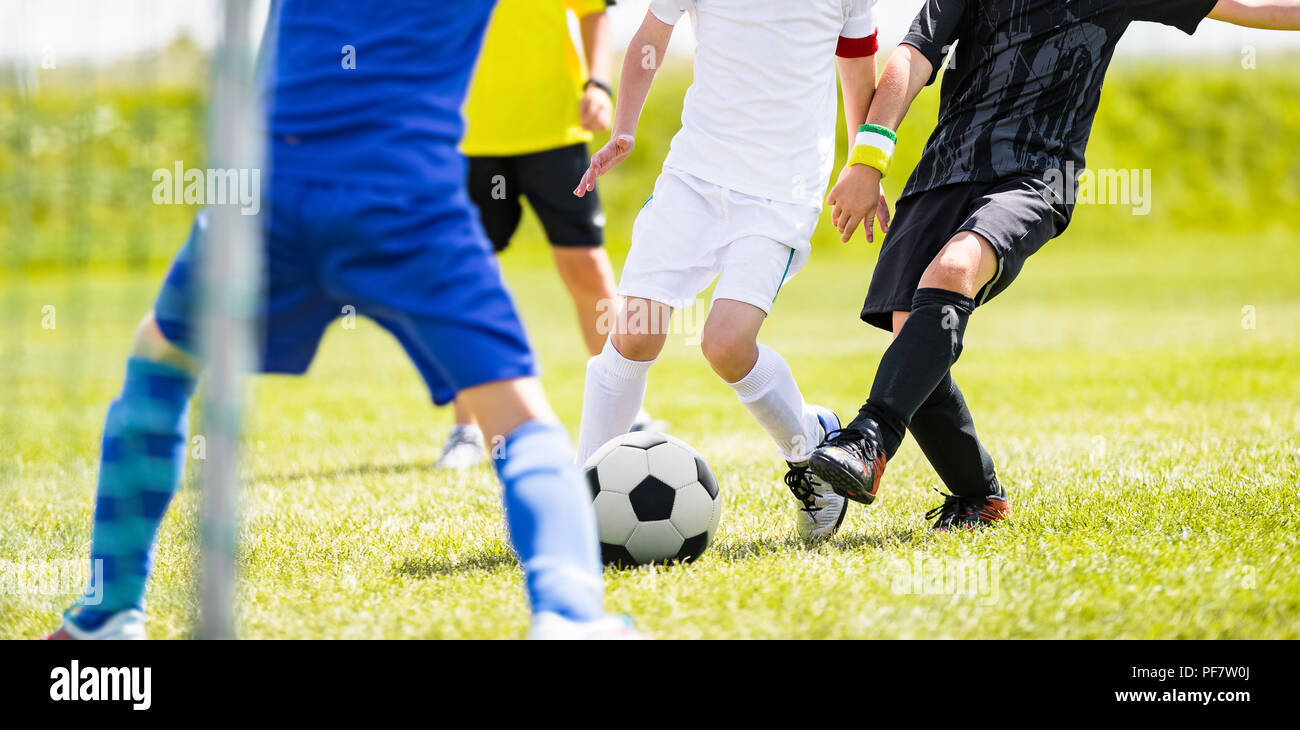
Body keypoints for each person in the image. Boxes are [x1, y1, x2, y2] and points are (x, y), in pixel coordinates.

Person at [46, 0, 636, 640]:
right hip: (408, 199)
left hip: (270, 190)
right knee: (520, 420)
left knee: (159, 364)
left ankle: (108, 613)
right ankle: (572, 618)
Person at [808, 0, 1300, 529]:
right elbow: (915, 55)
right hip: (945, 169)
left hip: (1037, 175)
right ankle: (980, 497)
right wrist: (868, 159)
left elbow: (1251, 8)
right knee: (915, 342)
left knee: (953, 271)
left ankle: (869, 437)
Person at [572, 0, 890, 539]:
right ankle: (579, 500)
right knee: (634, 333)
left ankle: (811, 450)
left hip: (782, 195)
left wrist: (865, 162)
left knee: (725, 344)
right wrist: (624, 127)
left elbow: (858, 66)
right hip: (694, 178)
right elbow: (650, 39)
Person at [438, 0, 662, 470]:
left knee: (587, 268)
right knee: (467, 278)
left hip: (557, 132)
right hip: (468, 135)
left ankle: (628, 413)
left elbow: (593, 13)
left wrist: (597, 84)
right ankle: (466, 429)